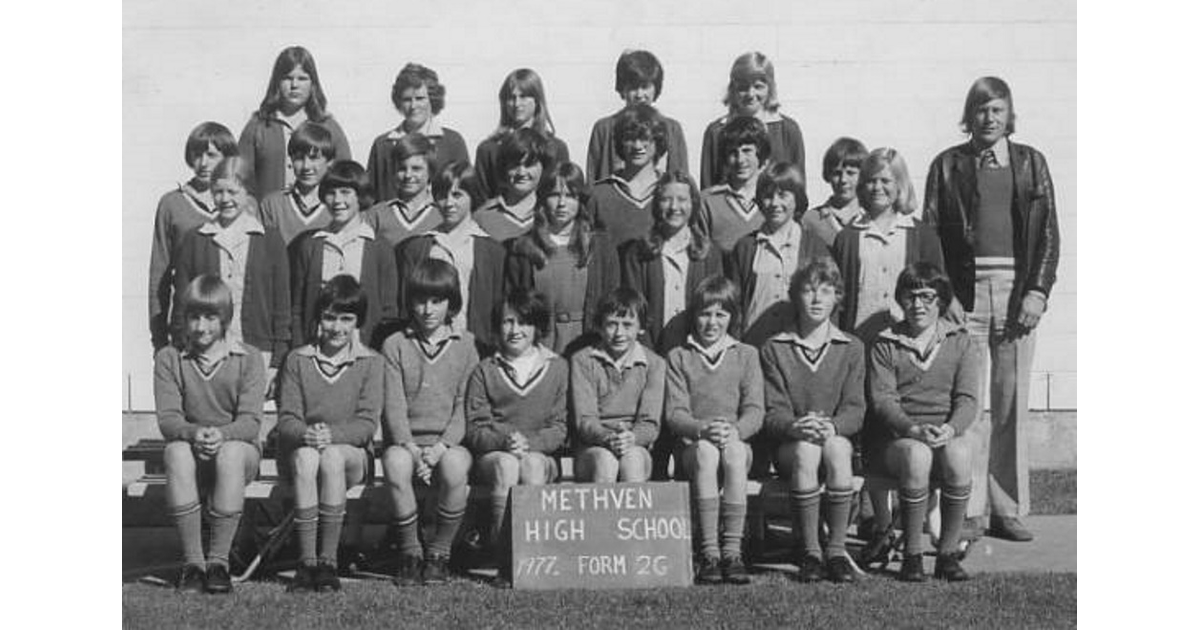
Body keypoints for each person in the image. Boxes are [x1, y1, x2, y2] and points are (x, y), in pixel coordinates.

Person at [923, 77, 1060, 543]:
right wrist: (945, 297)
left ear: (1009, 115)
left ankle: (1007, 509)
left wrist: (1037, 292)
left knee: (1010, 404)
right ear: (970, 115)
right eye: (981, 110)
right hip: (964, 296)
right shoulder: (947, 165)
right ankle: (967, 508)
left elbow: (1048, 235)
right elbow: (931, 235)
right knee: (965, 404)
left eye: (997, 109)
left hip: (1015, 293)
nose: (989, 118)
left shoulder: (1031, 163)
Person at [863, 262, 979, 582]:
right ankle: (912, 555)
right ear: (900, 299)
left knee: (960, 452)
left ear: (941, 300)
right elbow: (883, 401)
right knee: (917, 454)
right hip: (897, 440)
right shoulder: (886, 342)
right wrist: (912, 430)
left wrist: (951, 429)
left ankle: (947, 554)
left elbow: (968, 399)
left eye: (927, 296)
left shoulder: (960, 341)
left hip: (943, 434)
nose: (918, 305)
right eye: (910, 296)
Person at [154, 275, 265, 594]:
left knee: (231, 452)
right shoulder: (170, 358)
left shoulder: (248, 357)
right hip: (193, 452)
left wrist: (221, 434)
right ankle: (193, 564)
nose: (201, 327)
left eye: (210, 317)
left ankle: (218, 563)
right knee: (174, 451)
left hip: (238, 454)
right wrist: (195, 433)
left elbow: (250, 422)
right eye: (193, 317)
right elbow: (168, 420)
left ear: (225, 318)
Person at [759, 259, 864, 583]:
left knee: (836, 447)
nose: (817, 299)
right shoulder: (775, 347)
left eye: (826, 291)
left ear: (837, 297)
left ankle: (836, 551)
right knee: (807, 450)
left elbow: (855, 409)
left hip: (834, 443)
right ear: (796, 296)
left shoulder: (852, 347)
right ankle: (810, 552)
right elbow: (772, 412)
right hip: (792, 448)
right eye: (808, 291)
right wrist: (795, 426)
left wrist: (832, 426)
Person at [277, 276, 384, 593]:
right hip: (305, 450)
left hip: (350, 455)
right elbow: (287, 419)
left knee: (332, 457)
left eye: (346, 319)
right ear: (318, 318)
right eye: (329, 317)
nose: (337, 327)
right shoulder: (297, 359)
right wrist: (308, 434)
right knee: (308, 459)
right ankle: (306, 563)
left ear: (357, 322)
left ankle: (328, 562)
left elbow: (367, 423)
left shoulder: (371, 362)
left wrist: (332, 435)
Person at [380, 259, 479, 586]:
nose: (427, 310)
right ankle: (411, 553)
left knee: (455, 467)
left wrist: (439, 449)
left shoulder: (466, 345)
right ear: (410, 302)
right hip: (407, 443)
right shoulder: (395, 344)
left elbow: (464, 406)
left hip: (449, 443)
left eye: (437, 301)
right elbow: (394, 406)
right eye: (420, 300)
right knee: (395, 463)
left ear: (452, 302)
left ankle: (439, 553)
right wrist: (411, 448)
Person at [664, 276, 762, 585]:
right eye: (705, 314)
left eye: (721, 314)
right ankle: (709, 553)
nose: (712, 322)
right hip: (693, 447)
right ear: (694, 315)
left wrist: (735, 430)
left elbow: (755, 410)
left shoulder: (746, 354)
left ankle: (732, 552)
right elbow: (675, 413)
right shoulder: (679, 356)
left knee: (733, 452)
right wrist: (702, 429)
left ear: (732, 317)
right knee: (707, 452)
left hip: (734, 442)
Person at [464, 289, 569, 558]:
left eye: (523, 322)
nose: (515, 330)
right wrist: (506, 441)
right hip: (495, 456)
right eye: (507, 322)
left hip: (541, 456)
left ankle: (534, 555)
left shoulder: (558, 368)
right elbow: (476, 429)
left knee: (531, 464)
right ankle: (502, 553)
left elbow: (559, 427)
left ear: (537, 327)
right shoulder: (485, 370)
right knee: (507, 464)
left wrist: (530, 444)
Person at [171, 157, 290, 387]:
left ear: (247, 193)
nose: (225, 199)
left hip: (258, 352)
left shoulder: (270, 240)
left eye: (233, 192)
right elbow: (181, 305)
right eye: (218, 192)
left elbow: (282, 305)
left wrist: (277, 361)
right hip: (204, 352)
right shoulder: (195, 239)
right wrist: (182, 348)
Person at [505, 162, 620, 355]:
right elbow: (513, 307)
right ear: (543, 198)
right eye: (554, 195)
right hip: (540, 345)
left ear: (581, 199)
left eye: (570, 196)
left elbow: (613, 302)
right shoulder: (524, 248)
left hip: (588, 343)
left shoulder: (600, 246)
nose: (561, 203)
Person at [832, 147, 946, 343]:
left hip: (907, 341)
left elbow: (938, 292)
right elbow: (837, 296)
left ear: (900, 184)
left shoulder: (922, 235)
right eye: (871, 181)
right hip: (860, 338)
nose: (877, 187)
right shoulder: (848, 237)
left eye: (885, 181)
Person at [396, 161, 506, 352]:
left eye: (457, 195)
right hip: (427, 347)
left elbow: (498, 307)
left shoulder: (493, 251)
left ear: (472, 196)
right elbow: (407, 306)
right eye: (442, 196)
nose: (448, 203)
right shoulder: (417, 247)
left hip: (477, 346)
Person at [149, 122, 240, 351]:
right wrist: (159, 339)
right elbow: (159, 278)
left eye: (212, 155)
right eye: (197, 154)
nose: (203, 163)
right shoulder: (172, 204)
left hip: (236, 331)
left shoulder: (242, 204)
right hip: (191, 331)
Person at [290, 160, 398, 349]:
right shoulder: (310, 244)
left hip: (364, 349)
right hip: (316, 349)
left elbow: (388, 311)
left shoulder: (379, 247)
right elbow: (298, 308)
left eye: (345, 192)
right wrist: (300, 349)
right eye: (331, 193)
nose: (337, 200)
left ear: (360, 196)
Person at [619, 171, 724, 353]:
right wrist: (648, 355)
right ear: (656, 204)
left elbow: (716, 307)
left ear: (693, 204)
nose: (674, 207)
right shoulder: (639, 253)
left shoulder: (709, 254)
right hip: (651, 351)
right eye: (666, 199)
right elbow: (634, 310)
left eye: (682, 199)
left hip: (696, 353)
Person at [725, 162, 828, 347]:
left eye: (783, 195)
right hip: (755, 344)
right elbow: (734, 305)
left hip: (799, 347)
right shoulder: (746, 247)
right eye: (767, 196)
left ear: (797, 198)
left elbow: (828, 300)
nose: (774, 203)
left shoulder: (814, 246)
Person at [570, 287, 665, 484]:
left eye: (627, 325)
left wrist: (632, 438)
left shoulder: (655, 364)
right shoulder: (583, 360)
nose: (619, 333)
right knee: (605, 461)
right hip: (593, 448)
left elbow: (650, 423)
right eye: (612, 324)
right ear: (600, 326)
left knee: (632, 460)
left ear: (641, 327)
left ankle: (634, 507)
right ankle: (600, 507)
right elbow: (585, 419)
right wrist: (607, 438)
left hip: (635, 445)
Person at [238, 46, 352, 199]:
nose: (294, 85)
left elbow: (346, 178)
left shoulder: (329, 126)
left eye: (302, 78)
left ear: (313, 84)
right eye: (287, 78)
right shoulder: (258, 126)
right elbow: (239, 179)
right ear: (276, 83)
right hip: (268, 212)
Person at [699, 52, 804, 190]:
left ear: (770, 88)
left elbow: (798, 189)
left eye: (758, 86)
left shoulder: (788, 130)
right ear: (732, 89)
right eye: (743, 87)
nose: (750, 94)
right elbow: (708, 188)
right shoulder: (716, 131)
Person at [367, 63, 470, 203]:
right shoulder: (383, 145)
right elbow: (371, 196)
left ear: (432, 100)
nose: (413, 106)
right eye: (407, 100)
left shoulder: (452, 142)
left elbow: (466, 191)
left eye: (420, 98)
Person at [586, 49, 688, 182]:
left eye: (645, 87)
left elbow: (681, 178)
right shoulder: (604, 128)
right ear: (622, 89)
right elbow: (592, 181)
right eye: (633, 88)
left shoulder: (672, 129)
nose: (639, 95)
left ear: (656, 88)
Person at [474, 69, 570, 199]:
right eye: (511, 98)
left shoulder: (556, 148)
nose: (517, 104)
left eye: (523, 97)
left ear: (537, 100)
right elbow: (481, 198)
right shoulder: (489, 149)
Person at [586, 104, 668, 250]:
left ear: (658, 141)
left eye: (645, 138)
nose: (637, 146)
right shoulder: (599, 195)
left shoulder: (672, 191)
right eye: (630, 139)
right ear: (620, 143)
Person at [695, 116, 770, 253]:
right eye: (733, 152)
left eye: (747, 151)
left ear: (761, 156)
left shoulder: (774, 201)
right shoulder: (707, 202)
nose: (740, 160)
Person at [257, 122, 336, 249]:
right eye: (299, 158)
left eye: (314, 158)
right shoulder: (272, 205)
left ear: (330, 162)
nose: (306, 166)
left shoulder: (338, 205)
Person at [473, 128, 555, 243]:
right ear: (504, 167)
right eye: (515, 165)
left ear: (543, 168)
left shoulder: (552, 215)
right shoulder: (482, 218)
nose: (521, 172)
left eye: (529, 164)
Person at [361, 134, 442, 247]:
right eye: (402, 169)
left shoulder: (441, 215)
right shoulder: (376, 215)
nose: (408, 175)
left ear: (430, 172)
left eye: (416, 169)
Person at [801, 137, 868, 248]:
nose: (843, 180)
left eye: (851, 173)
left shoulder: (873, 218)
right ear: (828, 175)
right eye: (837, 173)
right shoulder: (811, 220)